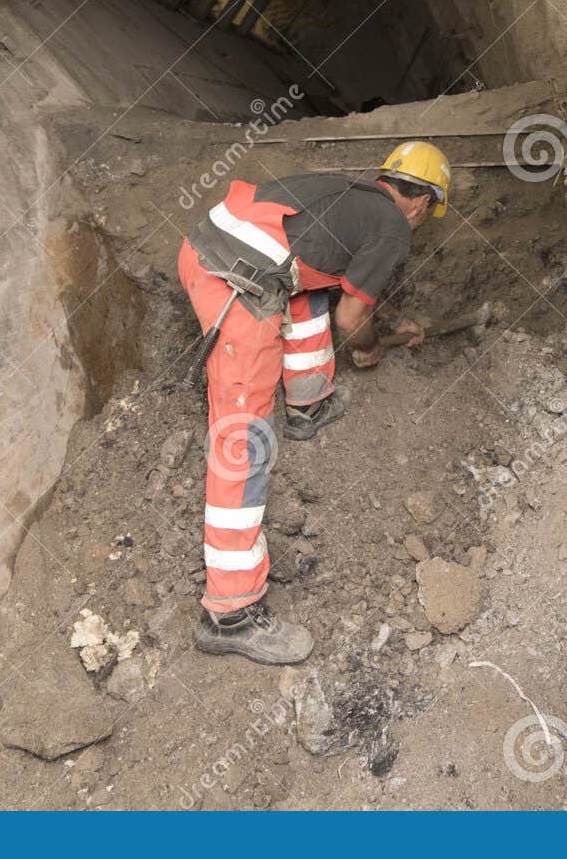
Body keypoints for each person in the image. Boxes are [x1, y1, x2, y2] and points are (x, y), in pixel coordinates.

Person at [176, 141, 452, 664]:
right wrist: (370, 348)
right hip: (234, 283)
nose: (421, 219)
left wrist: (384, 328)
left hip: (213, 244)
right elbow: (352, 321)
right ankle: (230, 613)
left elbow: (328, 279)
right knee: (244, 438)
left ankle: (309, 404)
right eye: (427, 214)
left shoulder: (348, 195)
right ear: (422, 203)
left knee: (307, 293)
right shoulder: (393, 226)